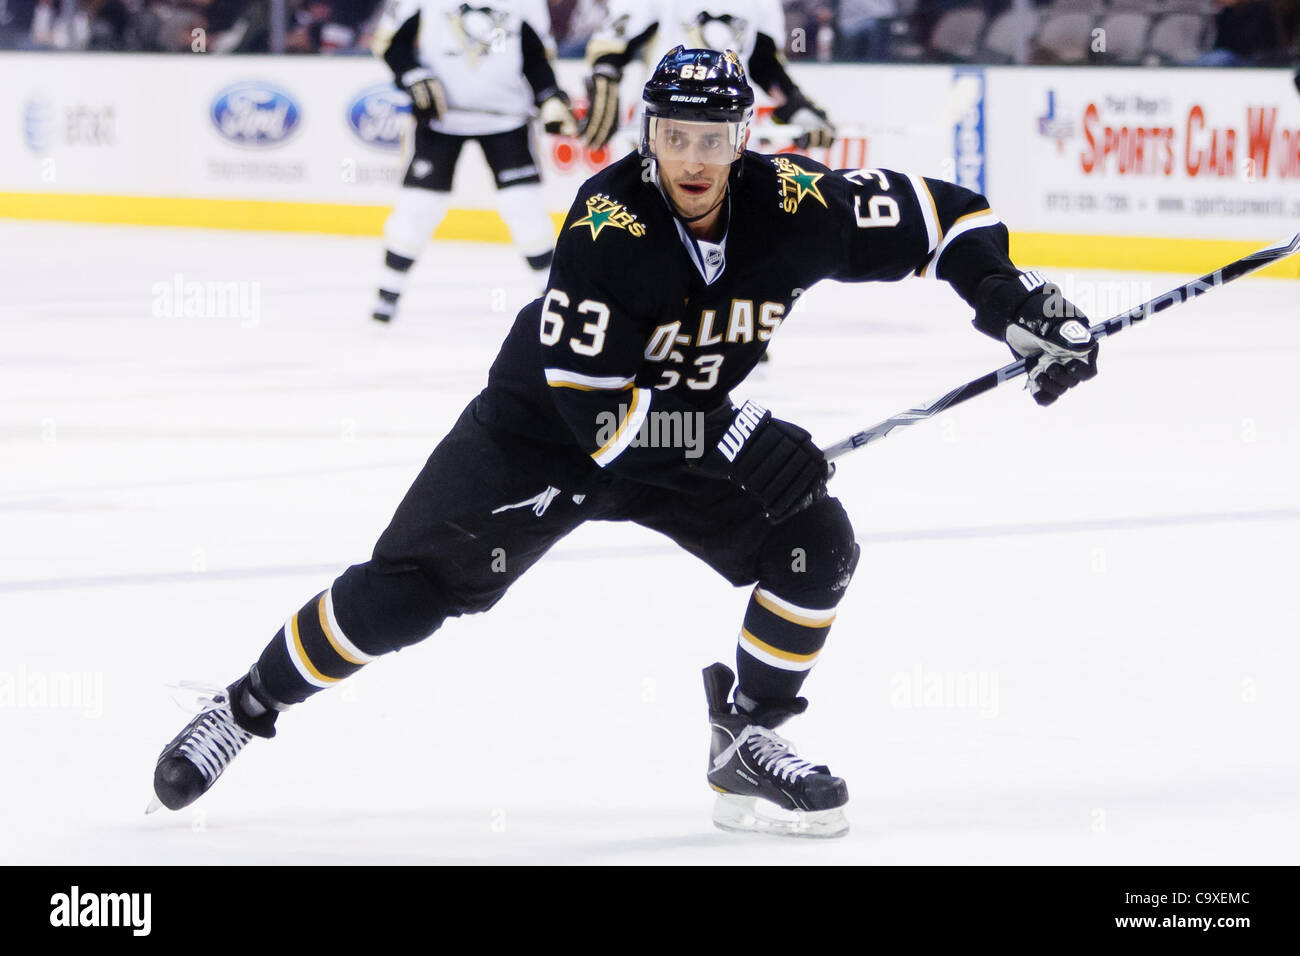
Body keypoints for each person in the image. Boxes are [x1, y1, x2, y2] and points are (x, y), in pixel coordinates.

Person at [149, 47, 1098, 838]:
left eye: (713, 138)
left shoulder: (800, 204)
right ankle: (242, 707)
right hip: (544, 433)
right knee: (407, 596)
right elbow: (596, 416)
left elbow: (951, 217)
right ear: (646, 133)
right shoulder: (610, 225)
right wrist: (734, 431)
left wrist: (1014, 304)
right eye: (674, 135)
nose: (692, 157)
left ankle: (748, 738)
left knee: (815, 544)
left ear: (743, 139)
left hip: (681, 442)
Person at [370, 0, 577, 322]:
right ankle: (387, 295)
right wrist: (411, 75)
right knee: (418, 206)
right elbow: (389, 43)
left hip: (506, 118)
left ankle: (552, 301)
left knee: (523, 206)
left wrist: (549, 94)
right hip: (440, 118)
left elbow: (536, 56)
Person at [577, 0, 836, 153]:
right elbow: (613, 43)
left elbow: (765, 65)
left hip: (732, 139)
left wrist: (796, 105)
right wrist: (605, 80)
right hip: (663, 136)